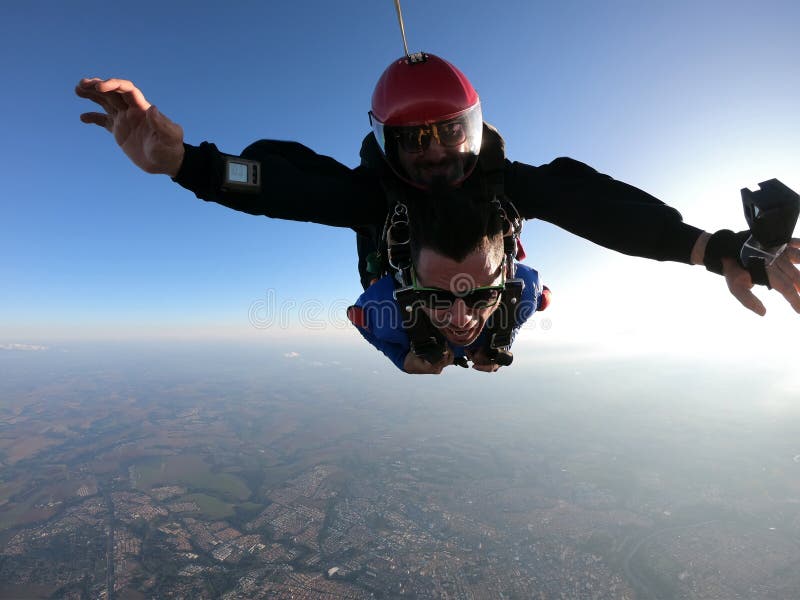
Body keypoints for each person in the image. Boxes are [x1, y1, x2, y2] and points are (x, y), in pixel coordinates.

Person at [75, 52, 800, 327]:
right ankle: (450, 319)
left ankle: (500, 313)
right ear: (387, 143)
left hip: (486, 278)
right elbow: (280, 186)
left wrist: (718, 249)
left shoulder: (507, 186)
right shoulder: (371, 199)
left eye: (449, 134)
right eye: (414, 142)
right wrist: (188, 163)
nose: (435, 157)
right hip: (403, 287)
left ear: (475, 127)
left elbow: (603, 209)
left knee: (507, 305)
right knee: (418, 337)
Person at [348, 192, 547, 374]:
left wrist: (403, 359)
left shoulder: (523, 292)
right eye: (436, 296)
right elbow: (358, 316)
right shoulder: (384, 309)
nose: (462, 321)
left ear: (505, 277)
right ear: (410, 284)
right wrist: (402, 360)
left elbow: (543, 296)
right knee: (370, 222)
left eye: (482, 294)